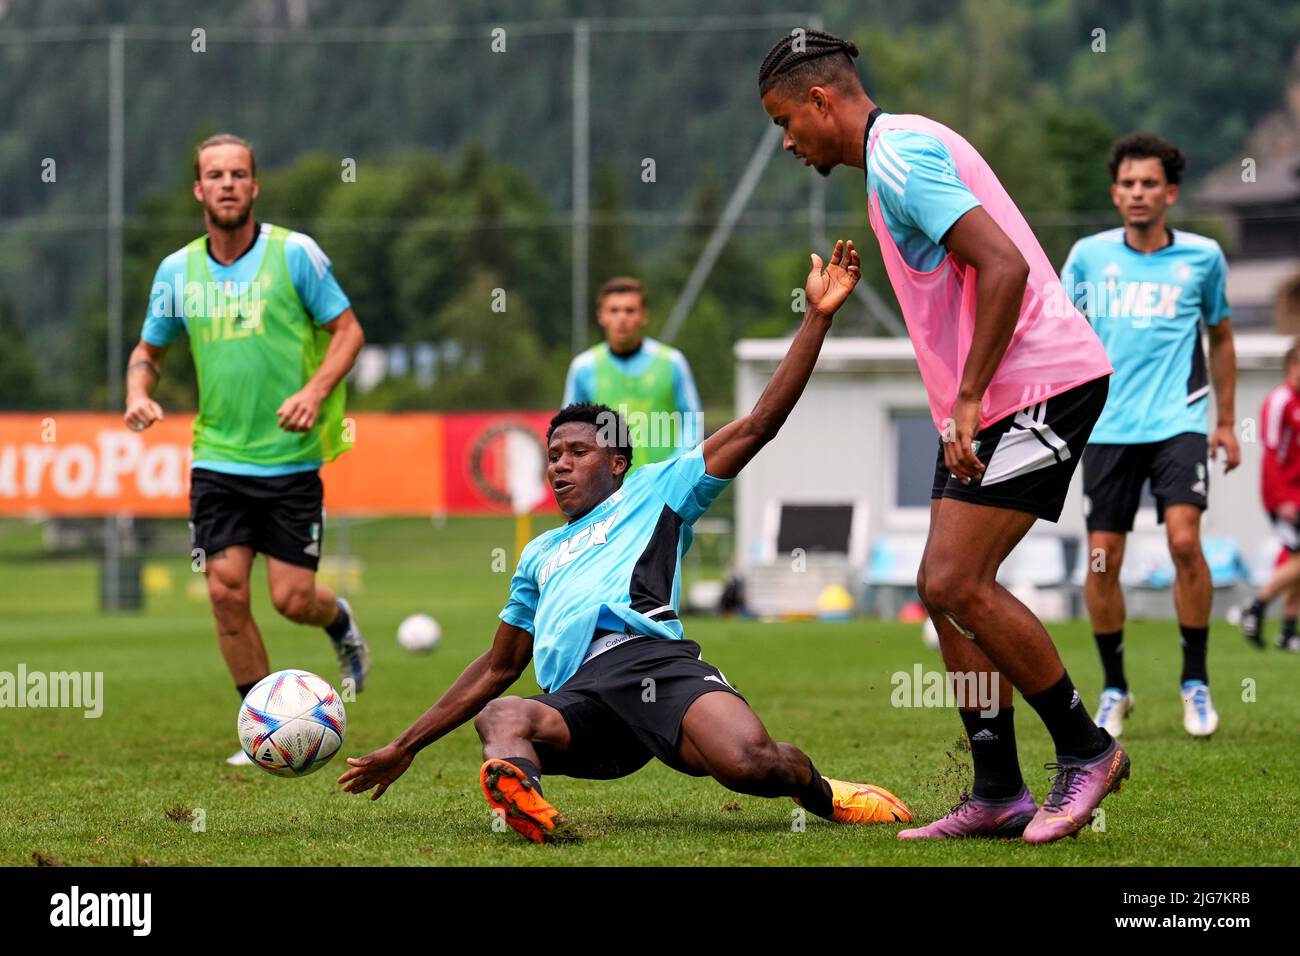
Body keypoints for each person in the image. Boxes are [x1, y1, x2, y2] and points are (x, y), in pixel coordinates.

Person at [339, 242, 914, 843]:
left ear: (616, 462)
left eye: (577, 453)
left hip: (651, 663)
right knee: (502, 715)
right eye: (552, 456)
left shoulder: (658, 489)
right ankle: (529, 807)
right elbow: (499, 665)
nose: (560, 466)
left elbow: (758, 423)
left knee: (752, 764)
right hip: (579, 704)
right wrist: (403, 746)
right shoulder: (539, 554)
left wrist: (817, 317)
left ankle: (824, 792)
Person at [759, 30, 1125, 843]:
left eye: (786, 121)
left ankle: (1087, 749)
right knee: (942, 586)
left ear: (822, 100)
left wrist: (964, 402)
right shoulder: (897, 154)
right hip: (994, 397)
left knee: (959, 581)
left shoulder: (899, 156)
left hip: (1036, 385)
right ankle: (997, 790)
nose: (787, 142)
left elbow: (1004, 267)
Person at [123, 133, 370, 765]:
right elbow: (148, 352)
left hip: (290, 463)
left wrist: (315, 391)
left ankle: (338, 621)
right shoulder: (177, 270)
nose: (227, 183)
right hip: (217, 462)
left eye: (238, 173)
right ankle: (261, 723)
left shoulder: (296, 255)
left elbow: (347, 331)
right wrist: (137, 392)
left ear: (254, 187)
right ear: (199, 190)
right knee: (225, 590)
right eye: (215, 174)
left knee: (292, 600)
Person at [1061, 132, 1240, 738]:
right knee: (1102, 556)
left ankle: (1195, 680)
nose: (1138, 193)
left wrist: (1224, 421)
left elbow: (1220, 337)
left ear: (1170, 193)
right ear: (1116, 194)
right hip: (1108, 426)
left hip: (1179, 422)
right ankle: (1115, 688)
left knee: (1185, 543)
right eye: (1128, 184)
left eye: (1149, 184)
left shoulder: (1203, 257)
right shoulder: (1087, 257)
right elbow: (1063, 336)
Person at [563, 277, 702, 468]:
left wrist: (676, 466)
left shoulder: (671, 362)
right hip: (607, 489)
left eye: (630, 310)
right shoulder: (583, 367)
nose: (622, 318)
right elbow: (569, 429)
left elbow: (692, 420)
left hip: (663, 487)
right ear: (601, 316)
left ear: (643, 315)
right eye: (614, 310)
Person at [1240, 340, 1300, 651]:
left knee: (1296, 561)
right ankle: (1256, 605)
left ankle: (1289, 631)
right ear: (1291, 366)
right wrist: (1282, 499)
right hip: (1284, 498)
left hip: (1297, 494)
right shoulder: (1279, 400)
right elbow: (1271, 452)